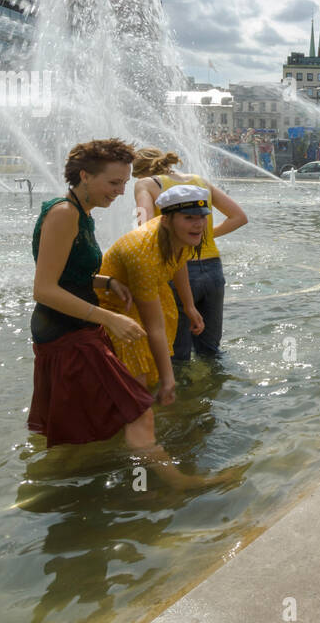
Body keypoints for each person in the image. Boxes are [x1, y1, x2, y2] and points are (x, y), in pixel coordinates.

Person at [28, 141, 227, 489]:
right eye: (113, 183)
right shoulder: (64, 213)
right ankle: (175, 484)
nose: (121, 192)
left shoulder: (79, 213)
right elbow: (43, 289)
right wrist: (110, 318)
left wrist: (104, 281)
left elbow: (66, 274)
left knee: (91, 416)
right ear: (85, 176)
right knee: (138, 411)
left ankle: (73, 486)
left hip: (73, 326)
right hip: (67, 331)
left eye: (124, 183)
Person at [133, 149, 248, 364]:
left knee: (177, 354)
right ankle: (215, 393)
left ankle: (181, 396)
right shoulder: (199, 181)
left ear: (140, 172)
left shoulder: (145, 184)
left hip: (177, 273)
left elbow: (144, 227)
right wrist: (201, 236)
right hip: (213, 271)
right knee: (210, 351)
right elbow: (239, 217)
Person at [99, 184, 209, 405]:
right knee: (136, 383)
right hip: (118, 307)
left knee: (151, 374)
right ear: (166, 219)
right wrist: (170, 381)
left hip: (151, 294)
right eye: (188, 217)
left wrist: (189, 305)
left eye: (201, 216)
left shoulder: (180, 235)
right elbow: (154, 327)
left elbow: (178, 263)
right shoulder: (143, 255)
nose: (198, 223)